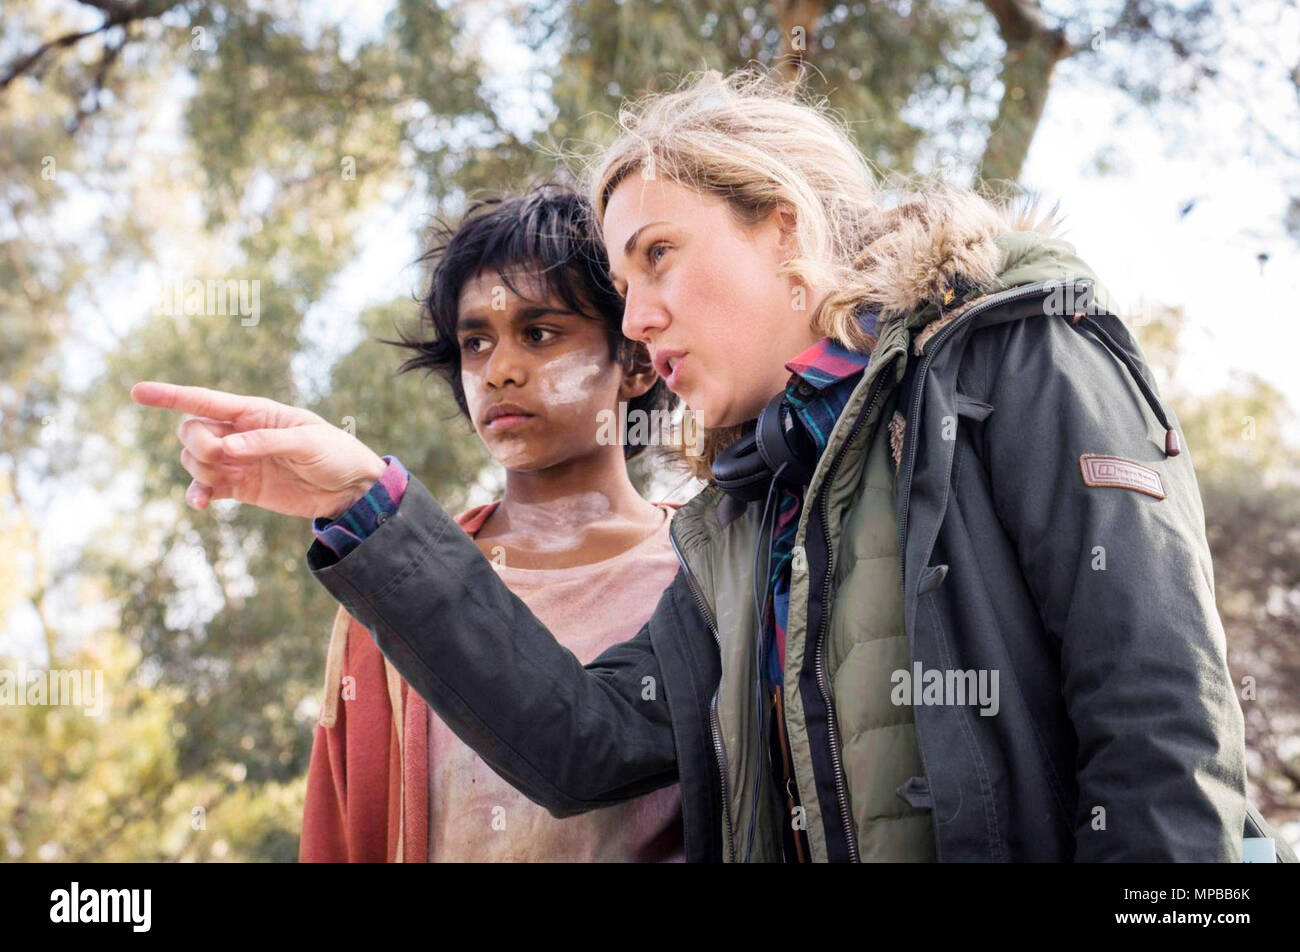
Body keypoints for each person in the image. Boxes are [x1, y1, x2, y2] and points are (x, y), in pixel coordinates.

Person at [134, 67, 1290, 863]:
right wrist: (365, 501)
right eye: (621, 284)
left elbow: (1160, 728)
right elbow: (583, 741)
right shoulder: (740, 524)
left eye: (659, 255)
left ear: (783, 228)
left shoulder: (1011, 353)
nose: (637, 319)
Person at [297, 185, 686, 861]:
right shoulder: (391, 582)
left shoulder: (707, 572)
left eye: (540, 334)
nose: (500, 370)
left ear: (632, 360)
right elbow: (336, 832)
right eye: (476, 342)